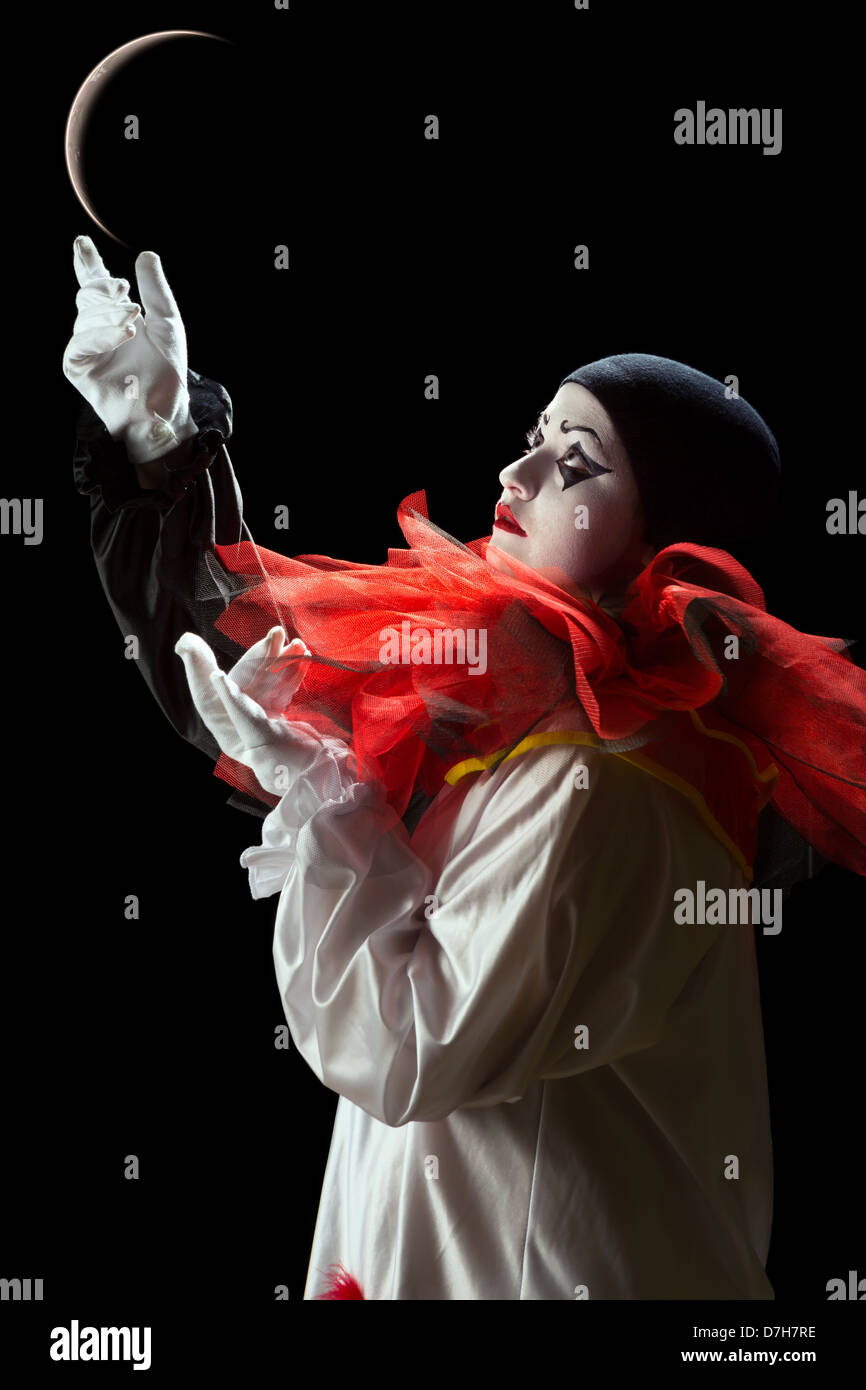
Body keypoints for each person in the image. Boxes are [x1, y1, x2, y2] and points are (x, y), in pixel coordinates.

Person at [65, 235, 866, 1301]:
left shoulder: (617, 776)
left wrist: (326, 802)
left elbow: (410, 1047)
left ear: (662, 544)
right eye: (533, 439)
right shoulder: (519, 703)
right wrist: (162, 441)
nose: (513, 474)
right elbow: (261, 654)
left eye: (574, 462)